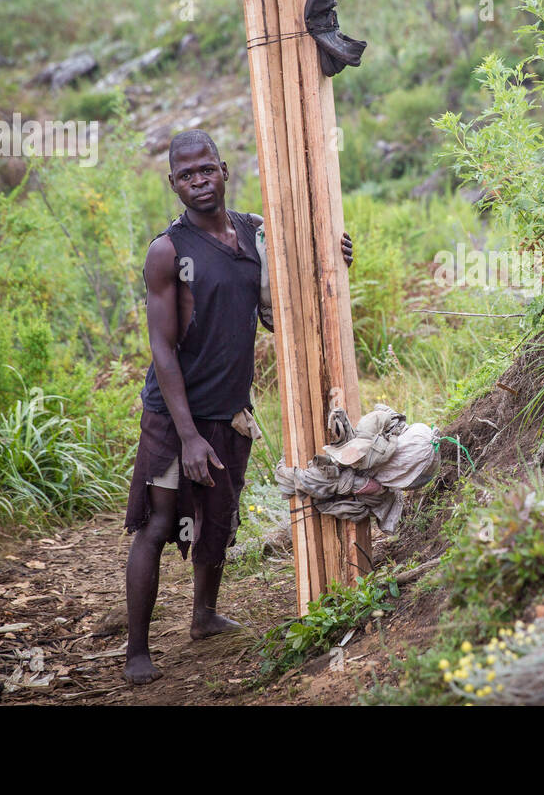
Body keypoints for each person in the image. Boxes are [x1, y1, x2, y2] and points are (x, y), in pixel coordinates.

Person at [122, 129, 353, 685]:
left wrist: (336, 255)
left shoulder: (252, 233)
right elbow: (162, 348)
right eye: (186, 174)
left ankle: (203, 617)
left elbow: (282, 305)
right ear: (172, 183)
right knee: (158, 525)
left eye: (207, 169)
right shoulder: (168, 251)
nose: (199, 181)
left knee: (218, 517)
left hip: (229, 409)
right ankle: (136, 650)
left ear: (224, 169)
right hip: (175, 415)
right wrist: (188, 436)